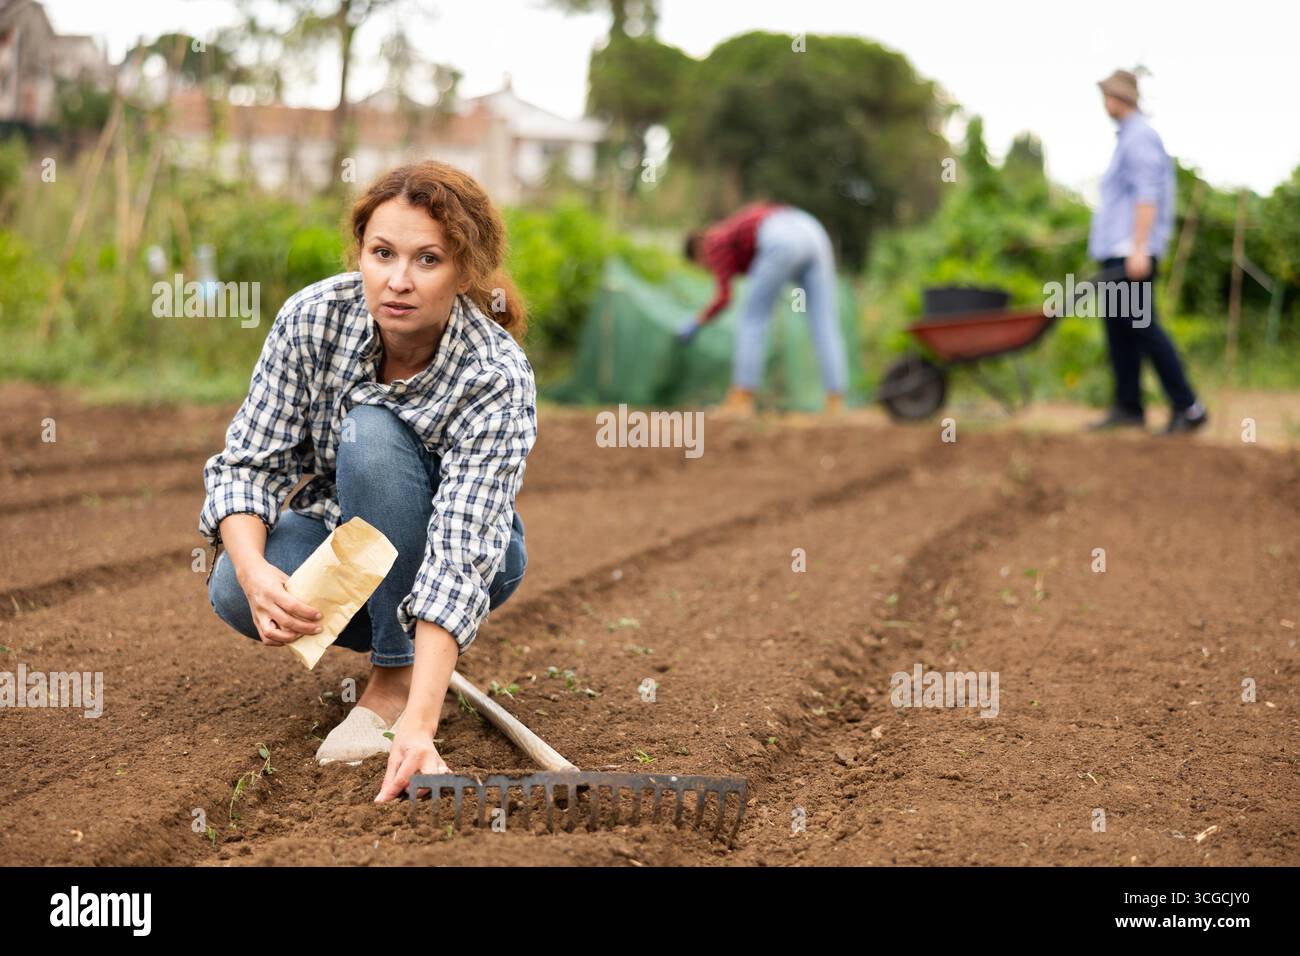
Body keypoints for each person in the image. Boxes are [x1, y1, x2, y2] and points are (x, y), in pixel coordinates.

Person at [201, 161, 536, 803]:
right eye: (382, 253)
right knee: (233, 591)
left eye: (428, 260)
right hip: (352, 532)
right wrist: (251, 569)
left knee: (373, 432)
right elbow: (249, 465)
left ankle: (395, 679)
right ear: (362, 252)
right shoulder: (312, 319)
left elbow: (462, 551)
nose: (398, 281)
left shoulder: (495, 374)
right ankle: (408, 651)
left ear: (466, 273)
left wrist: (420, 722)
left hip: (473, 554)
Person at [1088, 69, 1207, 434]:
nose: (1103, 101)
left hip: (1131, 253)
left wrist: (1139, 248)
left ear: (1118, 97)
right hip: (1118, 252)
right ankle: (1129, 407)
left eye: (1107, 94)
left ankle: (1188, 407)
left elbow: (1147, 194)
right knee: (1119, 330)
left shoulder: (1139, 137)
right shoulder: (1126, 137)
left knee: (1143, 326)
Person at [681, 203, 849, 418]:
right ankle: (835, 402)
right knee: (824, 323)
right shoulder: (730, 235)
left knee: (752, 319)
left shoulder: (713, 241)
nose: (706, 268)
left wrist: (698, 321)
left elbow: (724, 298)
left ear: (698, 250)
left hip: (780, 236)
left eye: (700, 264)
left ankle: (741, 400)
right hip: (812, 231)